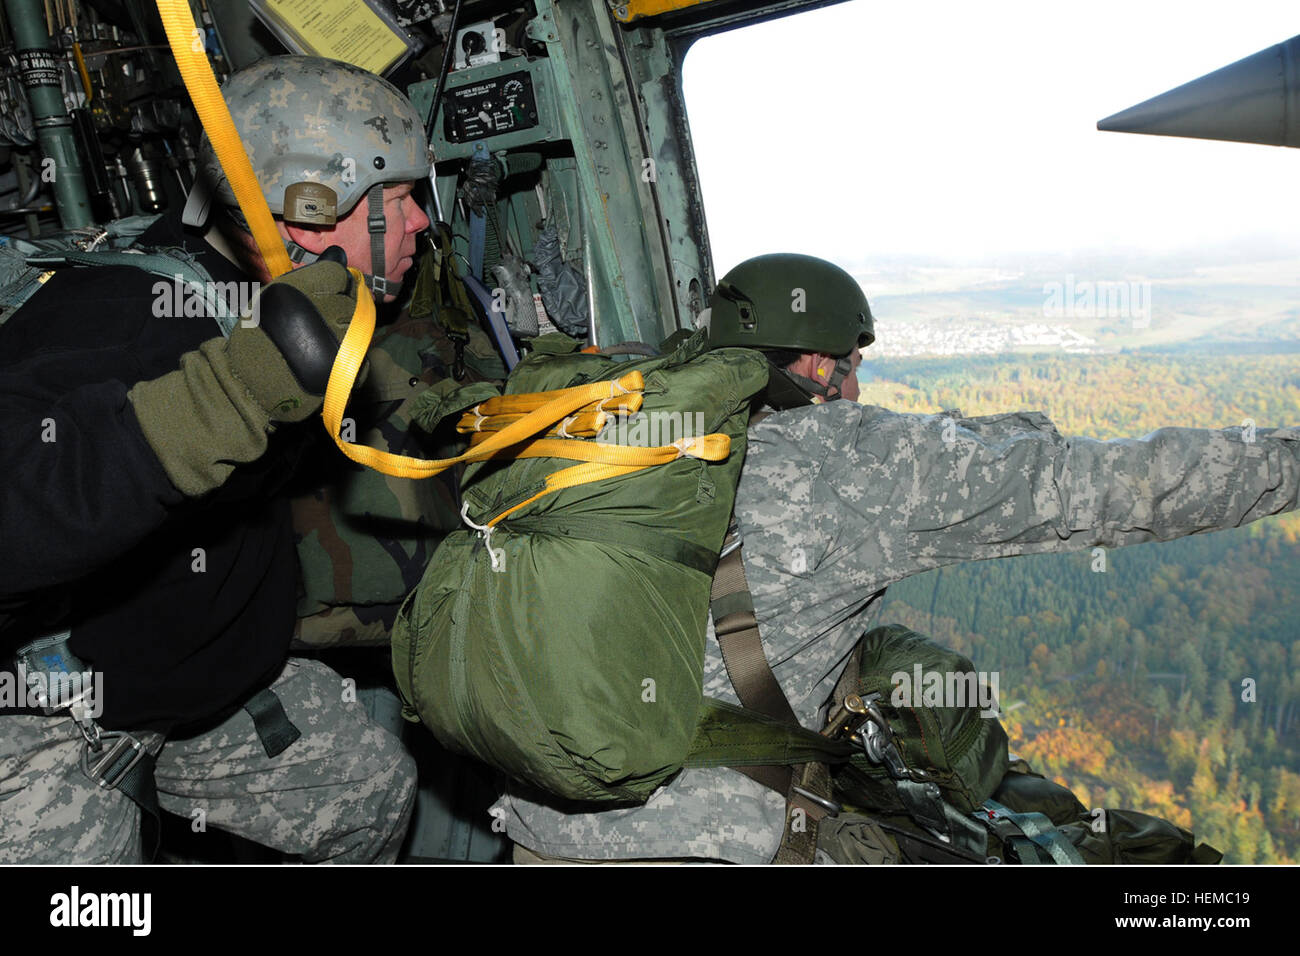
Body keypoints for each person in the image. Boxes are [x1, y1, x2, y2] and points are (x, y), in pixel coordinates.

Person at [495, 251, 1300, 864]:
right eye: (852, 365)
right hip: (695, 845)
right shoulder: (842, 463)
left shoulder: (621, 431)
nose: (856, 387)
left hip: (539, 822)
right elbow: (1123, 488)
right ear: (818, 365)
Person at [0, 55, 431, 863]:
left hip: (199, 688)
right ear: (307, 215)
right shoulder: (125, 319)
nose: (420, 225)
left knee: (359, 790)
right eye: (400, 199)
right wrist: (224, 398)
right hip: (45, 714)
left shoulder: (250, 297)